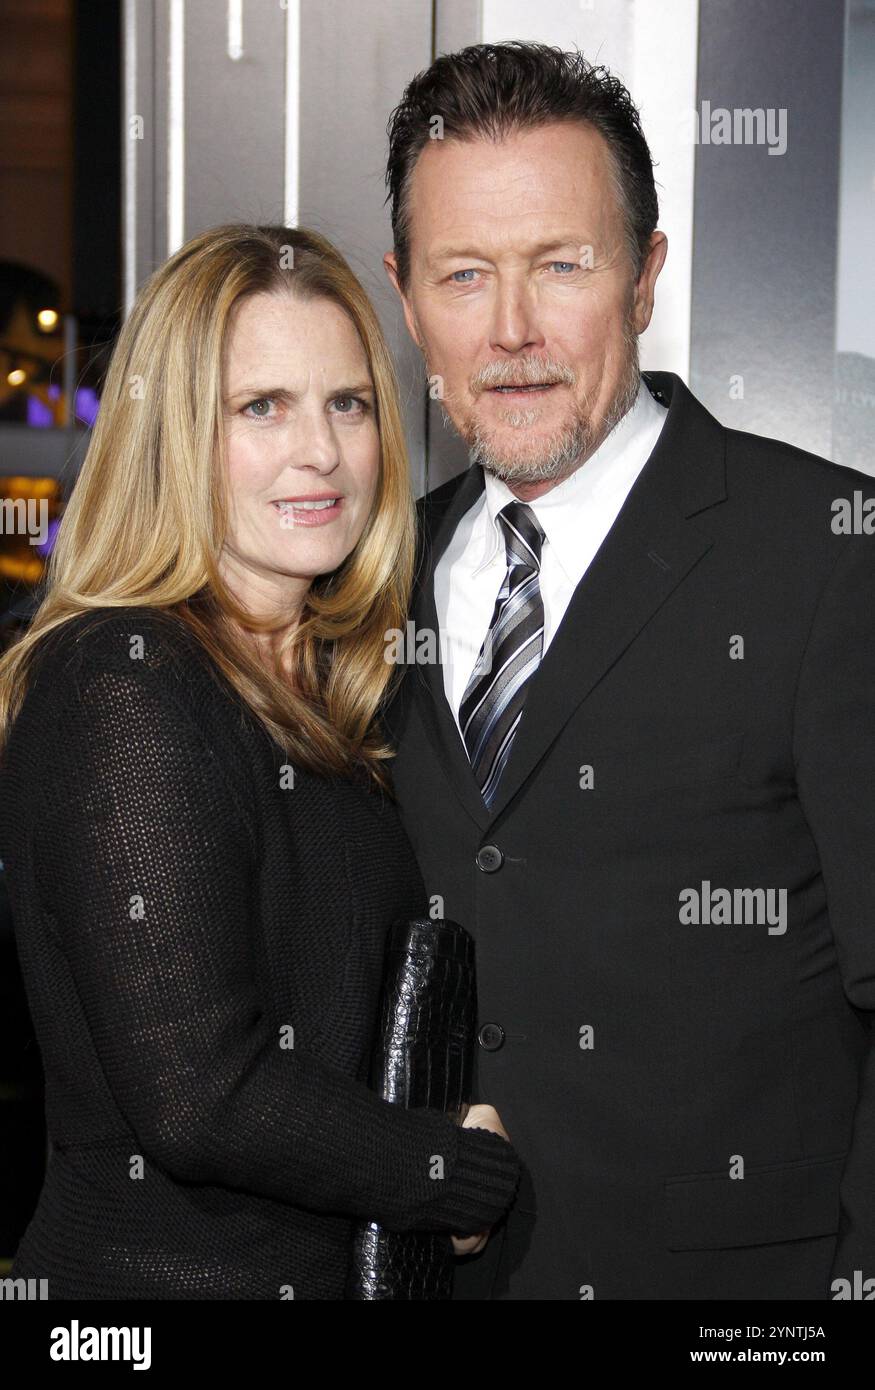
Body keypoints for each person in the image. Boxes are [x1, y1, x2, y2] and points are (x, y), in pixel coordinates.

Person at [381, 41, 875, 1300]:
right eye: (463, 274)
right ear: (403, 295)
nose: (511, 330)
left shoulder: (826, 556)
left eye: (561, 264)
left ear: (644, 276)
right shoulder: (369, 576)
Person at [0, 222, 520, 1300]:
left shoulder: (330, 679)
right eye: (260, 407)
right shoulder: (124, 681)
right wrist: (451, 1171)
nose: (320, 451)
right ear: (172, 435)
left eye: (348, 402)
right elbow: (199, 1092)